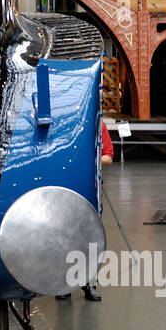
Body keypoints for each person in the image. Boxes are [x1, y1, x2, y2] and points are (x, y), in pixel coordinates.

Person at [56, 121, 115, 303]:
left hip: (90, 187)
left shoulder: (99, 126)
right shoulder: (65, 126)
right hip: (68, 186)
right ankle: (65, 283)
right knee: (64, 236)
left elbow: (109, 156)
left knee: (89, 237)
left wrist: (88, 160)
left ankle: (89, 282)